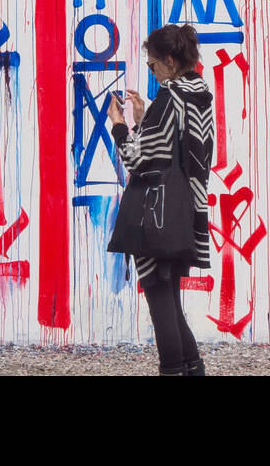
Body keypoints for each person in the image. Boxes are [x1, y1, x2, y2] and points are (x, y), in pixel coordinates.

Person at [107, 24, 213, 375]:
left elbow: (138, 158)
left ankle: (172, 369)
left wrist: (121, 125)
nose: (152, 72)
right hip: (185, 213)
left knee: (159, 297)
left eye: (153, 66)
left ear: (168, 61)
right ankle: (192, 370)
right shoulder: (199, 95)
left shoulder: (170, 100)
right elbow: (179, 147)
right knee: (171, 301)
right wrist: (147, 115)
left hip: (156, 213)